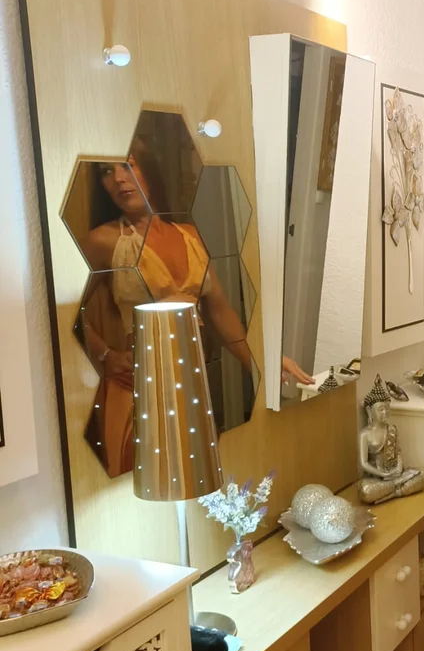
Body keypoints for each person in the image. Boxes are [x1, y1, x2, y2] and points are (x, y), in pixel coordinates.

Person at [78, 139, 312, 476]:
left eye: (128, 165)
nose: (118, 178)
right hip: (137, 390)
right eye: (106, 171)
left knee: (198, 480)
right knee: (148, 484)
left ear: (149, 168)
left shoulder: (188, 234)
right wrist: (105, 355)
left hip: (191, 386)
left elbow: (220, 312)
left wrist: (263, 364)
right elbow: (64, 314)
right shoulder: (104, 240)